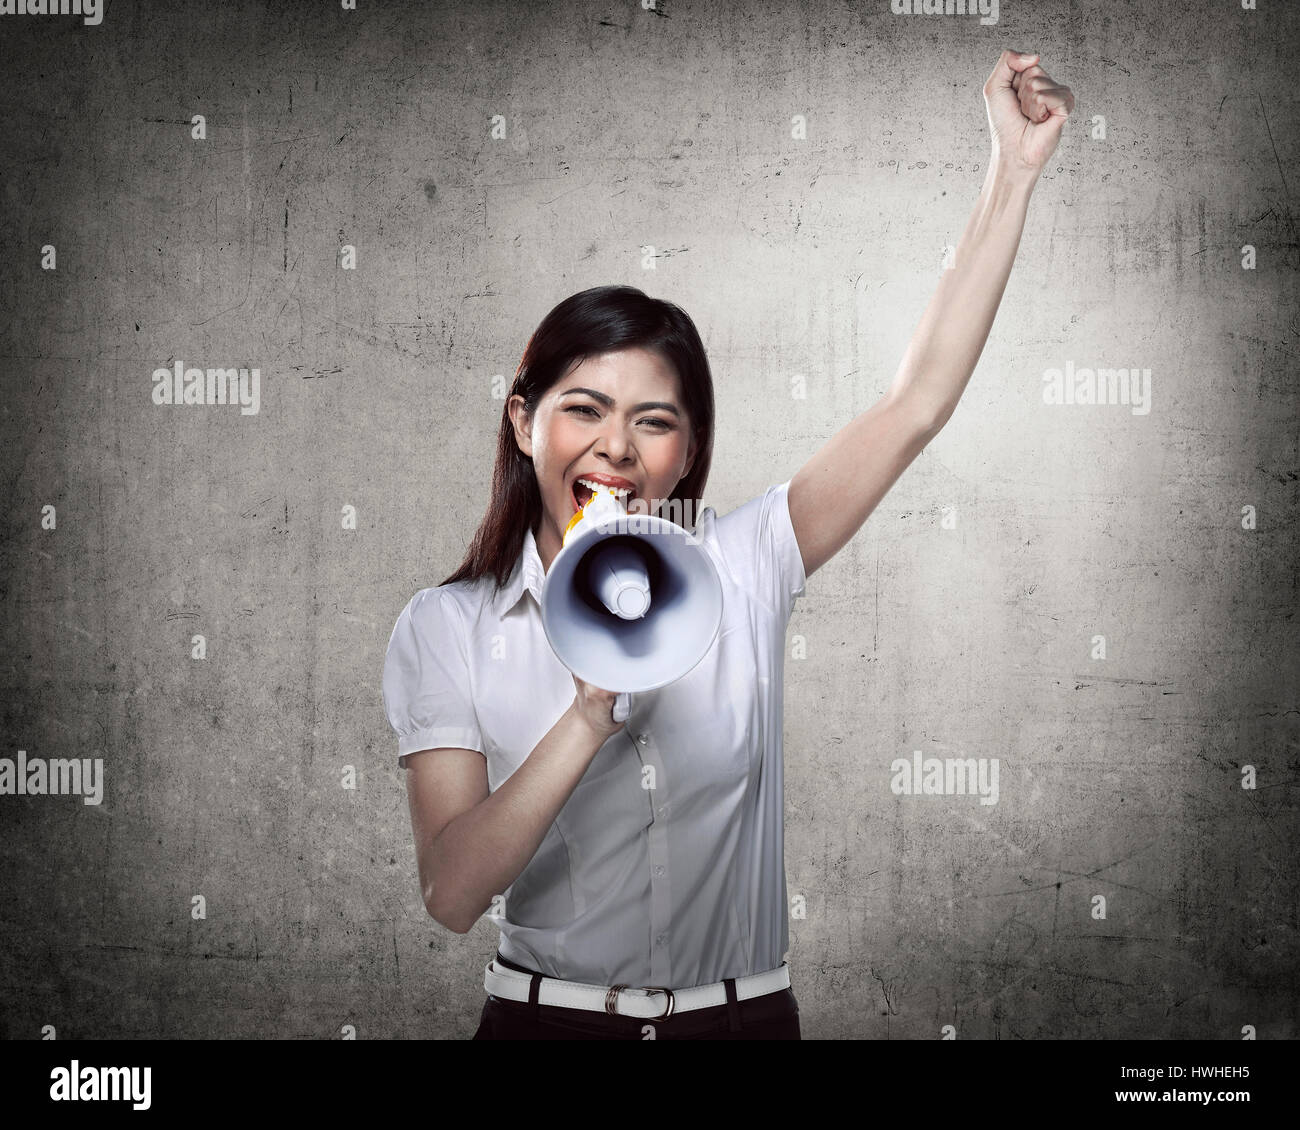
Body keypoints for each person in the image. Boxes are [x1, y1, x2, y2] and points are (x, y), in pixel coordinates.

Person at [382, 49, 1073, 1040]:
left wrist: (1011, 169)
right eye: (583, 408)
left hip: (740, 1025)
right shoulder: (446, 625)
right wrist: (585, 715)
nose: (616, 445)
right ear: (523, 420)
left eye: (654, 420)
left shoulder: (747, 560)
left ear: (689, 446)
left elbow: (915, 402)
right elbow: (451, 891)